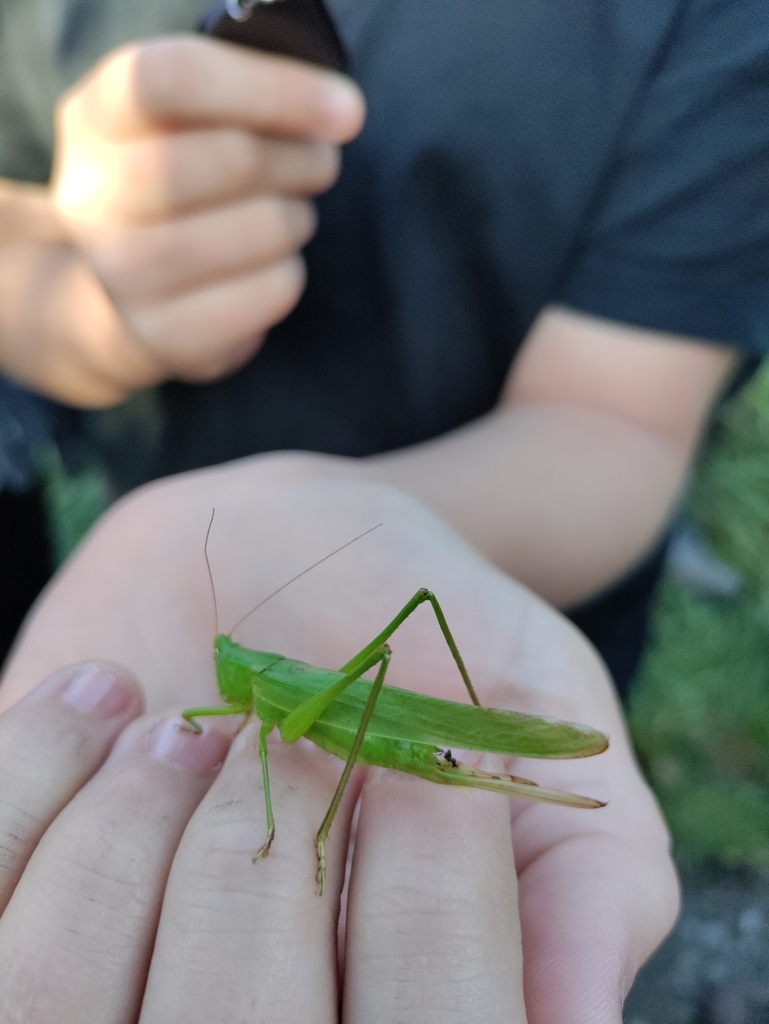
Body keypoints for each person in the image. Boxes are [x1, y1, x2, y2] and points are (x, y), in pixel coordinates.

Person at [2, 0, 767, 692]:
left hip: (501, 634)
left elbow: (615, 423)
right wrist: (85, 303)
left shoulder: (712, 25)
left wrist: (301, 538)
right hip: (182, 534)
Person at [0, 456, 680, 1023]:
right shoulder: (241, 680)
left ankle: (375, 803)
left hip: (366, 725)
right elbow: (227, 716)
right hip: (334, 717)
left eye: (224, 662)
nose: (220, 673)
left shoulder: (262, 688)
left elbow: (266, 738)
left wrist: (300, 839)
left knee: (274, 739)